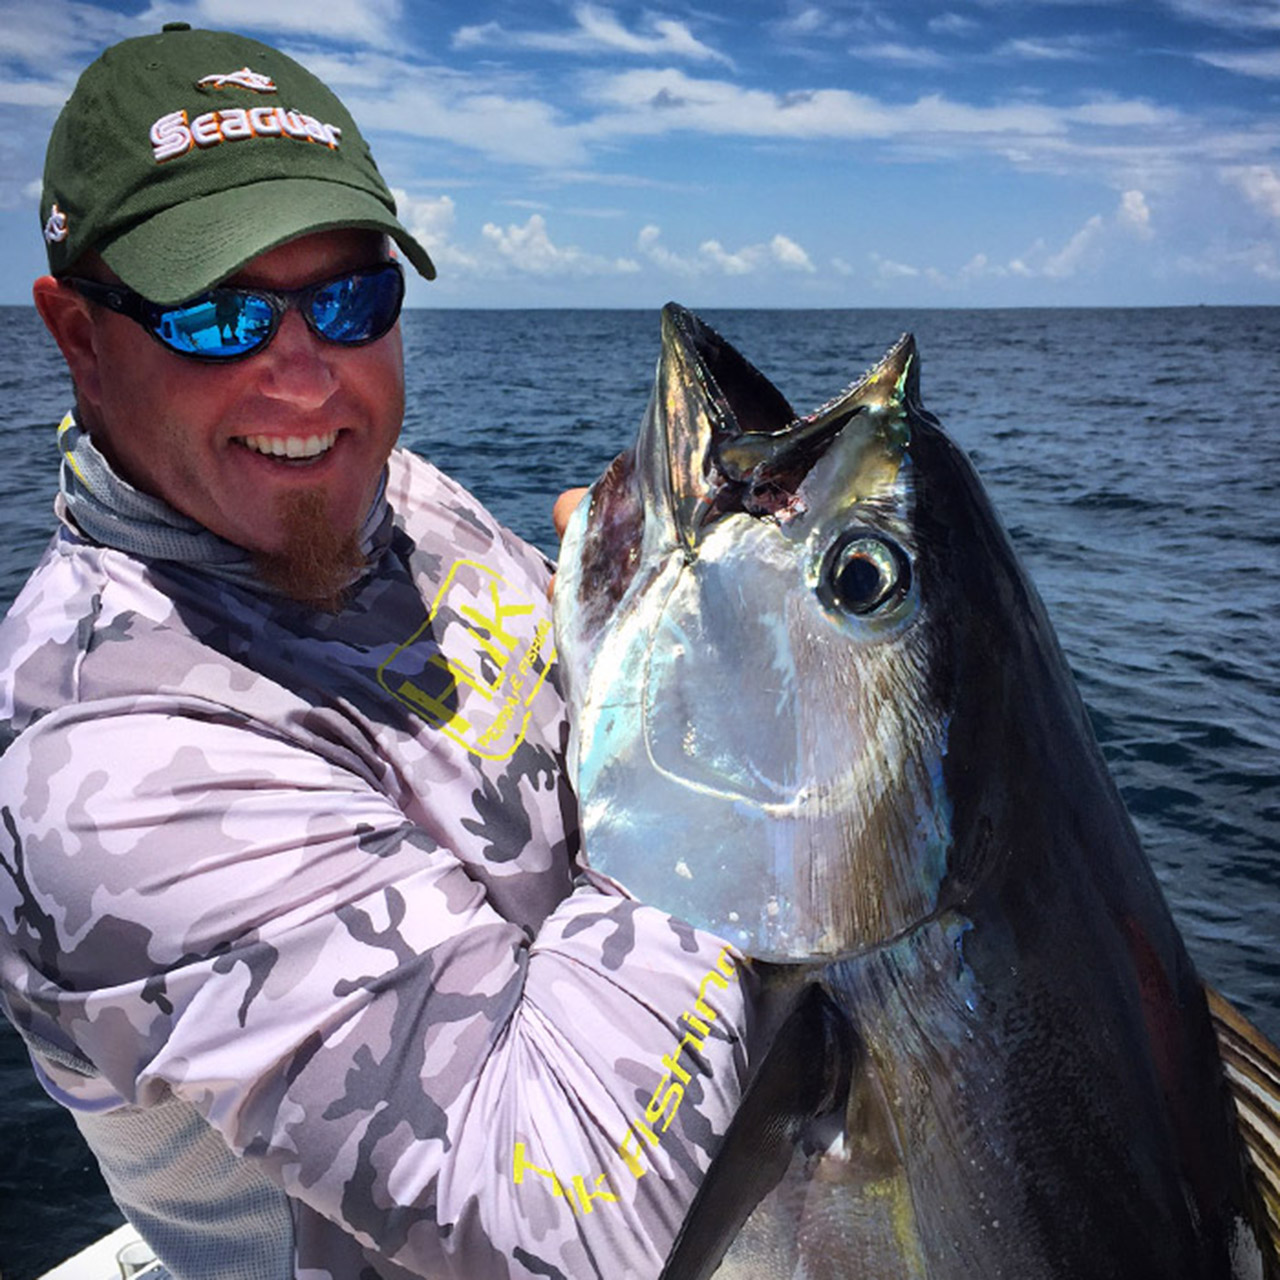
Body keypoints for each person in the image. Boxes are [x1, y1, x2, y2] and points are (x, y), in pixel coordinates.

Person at [0, 24, 754, 1280]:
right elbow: (572, 1229)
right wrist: (736, 742)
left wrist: (624, 616)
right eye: (214, 314)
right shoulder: (112, 764)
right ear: (78, 335)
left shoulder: (385, 490)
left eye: (351, 299)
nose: (306, 379)